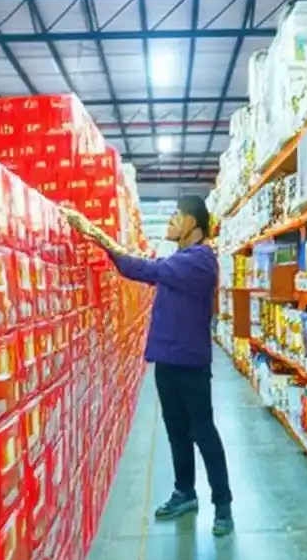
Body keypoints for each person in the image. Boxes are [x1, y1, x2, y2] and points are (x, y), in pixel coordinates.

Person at [66, 196, 233, 536]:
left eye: (177, 216)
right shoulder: (181, 258)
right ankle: (184, 492)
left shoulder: (200, 261)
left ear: (193, 226)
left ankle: (223, 505)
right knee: (176, 431)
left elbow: (141, 269)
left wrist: (97, 235)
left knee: (203, 433)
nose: (171, 222)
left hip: (191, 367)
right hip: (167, 363)